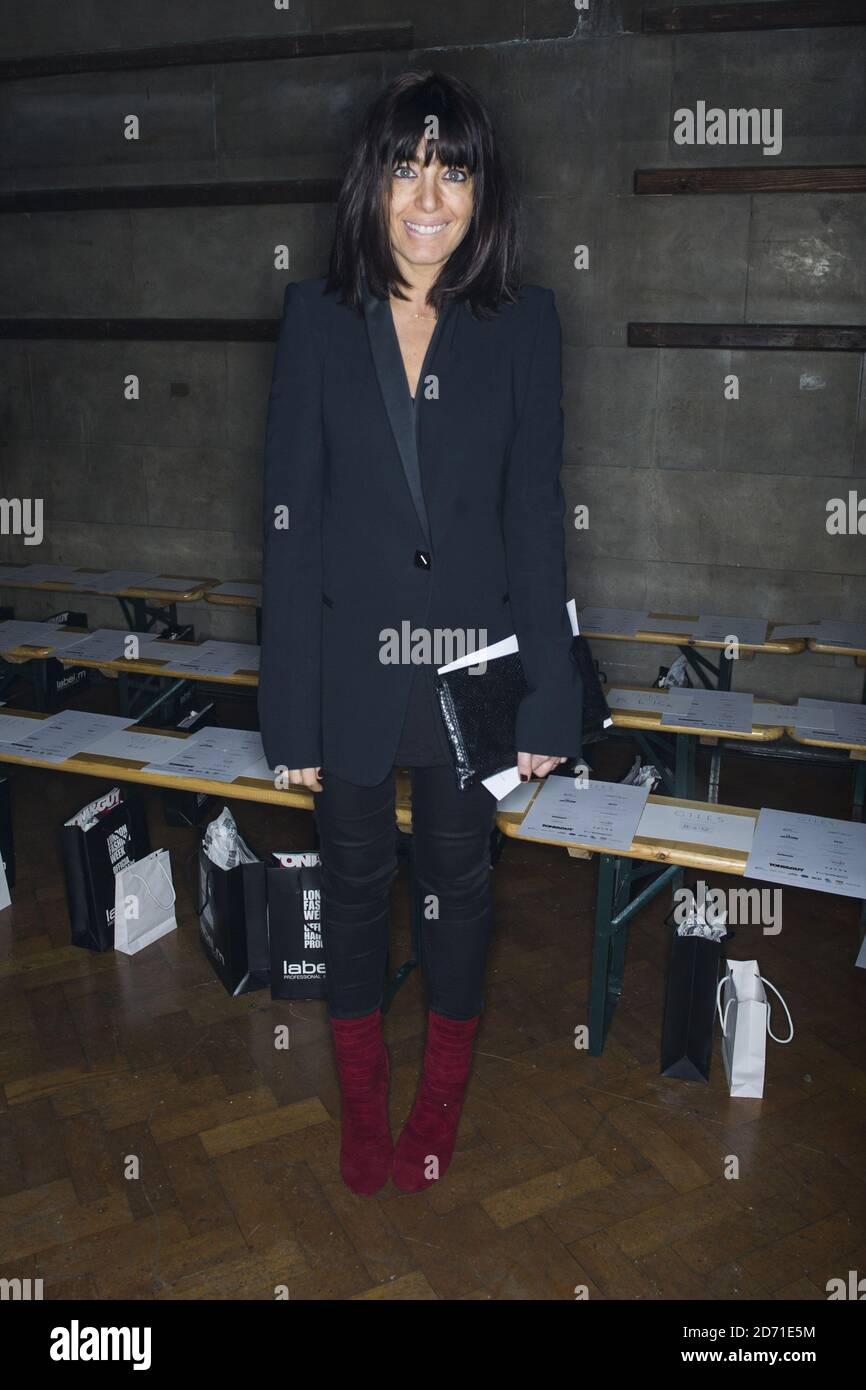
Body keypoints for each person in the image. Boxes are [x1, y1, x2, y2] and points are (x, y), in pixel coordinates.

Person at [259, 70, 583, 1196]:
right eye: (406, 166)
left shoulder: (523, 324)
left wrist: (548, 697)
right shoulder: (314, 320)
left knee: (457, 884)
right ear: (374, 182)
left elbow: (534, 524)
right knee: (352, 886)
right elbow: (288, 529)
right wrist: (286, 707)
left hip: (473, 669)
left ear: (481, 189)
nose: (428, 194)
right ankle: (361, 1108)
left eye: (452, 168)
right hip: (347, 669)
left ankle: (436, 1097)